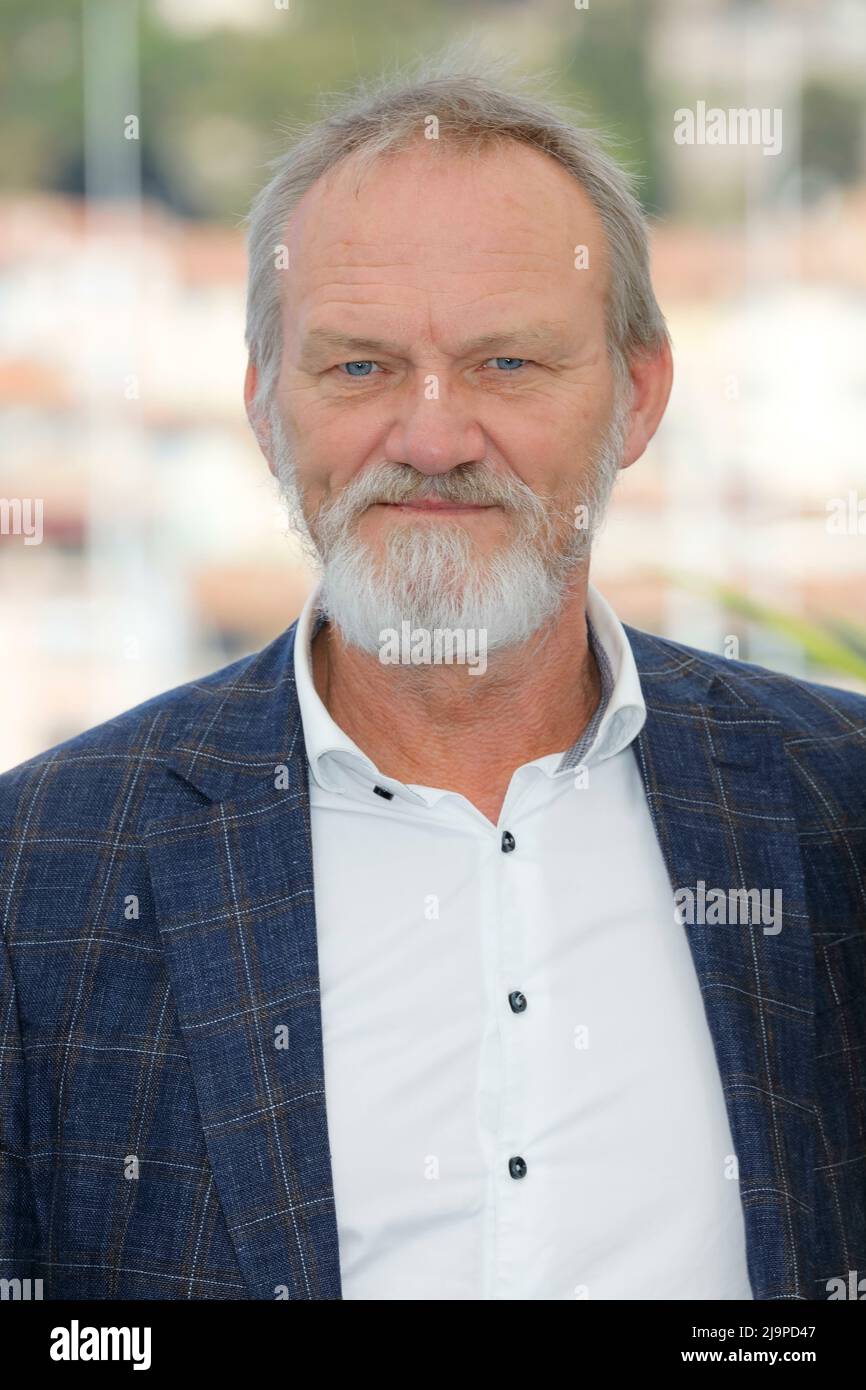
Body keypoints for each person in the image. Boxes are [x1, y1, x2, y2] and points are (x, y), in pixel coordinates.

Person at [1, 56, 864, 1302]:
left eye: (507, 364)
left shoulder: (832, 809)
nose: (432, 437)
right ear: (262, 409)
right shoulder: (43, 873)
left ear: (635, 397)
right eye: (356, 366)